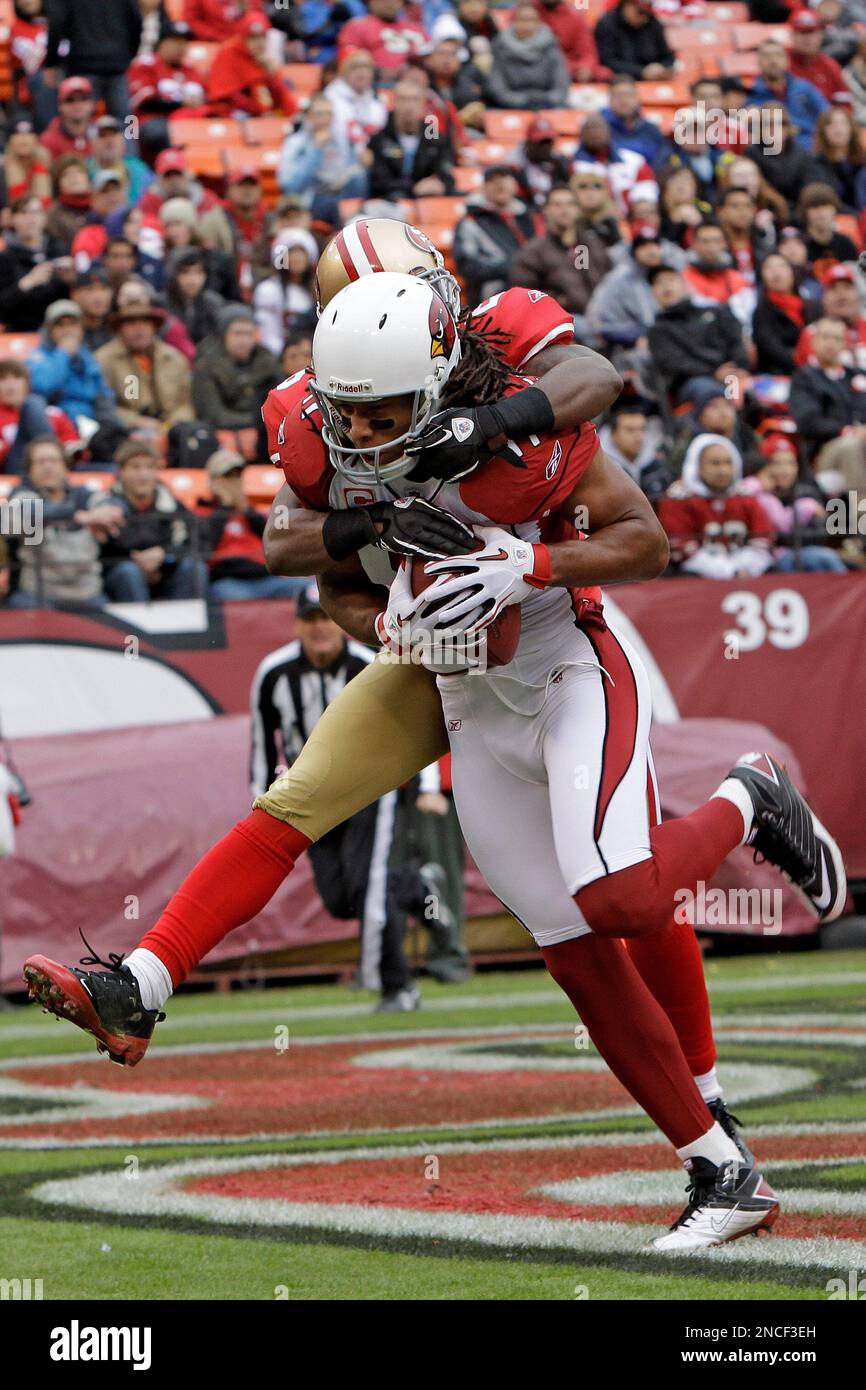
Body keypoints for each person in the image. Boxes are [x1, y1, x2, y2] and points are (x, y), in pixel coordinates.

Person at [24, 222, 779, 1243]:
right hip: (444, 671)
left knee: (627, 896)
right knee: (316, 808)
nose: (357, 429)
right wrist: (380, 596)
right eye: (344, 402)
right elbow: (297, 540)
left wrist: (518, 527)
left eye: (379, 407)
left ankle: (745, 811)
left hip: (559, 650)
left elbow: (597, 397)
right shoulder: (318, 417)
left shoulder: (514, 400)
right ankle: (139, 982)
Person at [251, 583, 421, 1011]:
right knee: (339, 900)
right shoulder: (273, 673)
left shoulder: (370, 664)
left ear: (341, 621)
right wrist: (259, 799)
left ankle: (396, 986)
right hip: (309, 796)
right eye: (309, 620)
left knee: (368, 889)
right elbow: (262, 744)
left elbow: (416, 721)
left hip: (369, 792)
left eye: (325, 617)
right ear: (297, 625)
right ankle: (414, 887)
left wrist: (424, 787)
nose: (319, 628)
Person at [4, 434, 120, 607]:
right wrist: (79, 517)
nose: (48, 467)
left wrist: (105, 513)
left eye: (53, 460)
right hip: (38, 595)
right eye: (40, 462)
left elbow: (114, 506)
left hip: (87, 593)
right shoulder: (22, 495)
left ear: (66, 466)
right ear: (29, 470)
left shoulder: (84, 495)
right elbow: (29, 513)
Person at [96, 438, 208, 601]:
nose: (144, 475)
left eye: (150, 467)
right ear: (121, 471)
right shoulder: (105, 504)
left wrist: (164, 554)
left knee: (195, 568)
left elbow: (199, 541)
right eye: (135, 467)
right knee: (129, 572)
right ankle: (133, 627)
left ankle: (190, 625)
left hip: (166, 572)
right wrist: (137, 560)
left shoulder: (170, 502)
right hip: (121, 578)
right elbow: (101, 554)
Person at [657, 433, 775, 579]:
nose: (723, 470)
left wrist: (744, 568)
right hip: (698, 578)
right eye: (715, 463)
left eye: (728, 463)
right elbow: (683, 550)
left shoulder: (745, 495)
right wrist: (729, 571)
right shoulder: (679, 498)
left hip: (744, 573)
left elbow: (764, 540)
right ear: (697, 466)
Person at [198, 448, 305, 600]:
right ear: (214, 482)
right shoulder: (202, 512)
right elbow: (207, 547)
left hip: (265, 577)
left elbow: (273, 537)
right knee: (233, 598)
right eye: (227, 477)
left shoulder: (249, 511)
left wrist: (246, 509)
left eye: (237, 476)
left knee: (306, 590)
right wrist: (225, 506)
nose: (234, 483)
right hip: (230, 581)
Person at [742, 433, 848, 572]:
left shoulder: (806, 491)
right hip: (765, 556)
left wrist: (784, 538)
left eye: (790, 463)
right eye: (777, 463)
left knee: (828, 559)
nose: (785, 470)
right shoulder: (758, 493)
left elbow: (821, 533)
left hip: (799, 551)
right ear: (765, 468)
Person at [646, 265, 749, 402]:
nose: (666, 286)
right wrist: (715, 372)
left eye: (671, 280)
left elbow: (735, 340)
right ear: (653, 292)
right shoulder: (658, 331)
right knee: (716, 394)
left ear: (685, 285)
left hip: (732, 374)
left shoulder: (715, 312)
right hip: (695, 383)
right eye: (658, 283)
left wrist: (737, 367)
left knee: (771, 392)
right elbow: (677, 364)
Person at [510, 186, 610, 323]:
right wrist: (559, 300)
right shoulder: (534, 252)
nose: (564, 210)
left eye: (570, 204)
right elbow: (524, 296)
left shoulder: (592, 244)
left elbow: (609, 279)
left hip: (602, 316)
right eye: (557, 205)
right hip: (562, 321)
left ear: (578, 209)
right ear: (546, 210)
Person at [96, 301, 194, 433]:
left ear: (154, 327)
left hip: (174, 426)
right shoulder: (104, 360)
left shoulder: (173, 357)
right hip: (128, 430)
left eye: (145, 323)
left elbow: (187, 402)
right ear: (120, 329)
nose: (139, 329)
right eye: (131, 324)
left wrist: (175, 422)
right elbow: (103, 406)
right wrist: (135, 421)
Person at [43, 0, 142, 122]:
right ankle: (130, 140)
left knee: (82, 120)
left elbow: (57, 23)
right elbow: (137, 21)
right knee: (125, 119)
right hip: (116, 64)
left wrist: (52, 62)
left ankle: (84, 141)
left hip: (84, 64)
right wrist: (128, 54)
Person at [453, 164, 538, 304]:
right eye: (492, 180)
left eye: (504, 178)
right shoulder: (471, 222)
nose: (499, 183)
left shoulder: (532, 218)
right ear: (484, 188)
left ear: (515, 185)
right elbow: (467, 265)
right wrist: (509, 267)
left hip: (534, 286)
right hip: (493, 291)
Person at [277, 94, 369, 220]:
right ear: (309, 117)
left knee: (360, 180)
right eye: (320, 114)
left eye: (329, 114)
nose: (325, 119)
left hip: (341, 194)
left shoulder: (341, 139)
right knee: (334, 207)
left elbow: (351, 171)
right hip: (310, 199)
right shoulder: (295, 143)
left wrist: (363, 162)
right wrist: (315, 151)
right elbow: (291, 186)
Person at [192, 304, 281, 434]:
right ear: (223, 335)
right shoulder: (206, 365)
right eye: (237, 333)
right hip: (223, 431)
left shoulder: (267, 360)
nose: (244, 340)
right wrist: (258, 420)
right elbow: (213, 414)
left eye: (249, 334)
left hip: (265, 428)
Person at [789, 315, 866, 460]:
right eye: (825, 337)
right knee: (852, 446)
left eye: (837, 338)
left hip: (861, 441)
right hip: (825, 450)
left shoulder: (858, 375)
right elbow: (808, 422)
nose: (830, 343)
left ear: (845, 344)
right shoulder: (804, 378)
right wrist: (848, 431)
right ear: (813, 341)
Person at [367, 78, 456, 202]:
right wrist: (413, 188)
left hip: (427, 199)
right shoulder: (380, 136)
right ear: (394, 102)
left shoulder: (434, 136)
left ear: (423, 104)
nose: (409, 106)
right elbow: (379, 181)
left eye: (415, 100)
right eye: (404, 99)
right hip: (391, 200)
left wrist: (440, 184)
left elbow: (446, 170)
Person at [29, 297, 113, 428]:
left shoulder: (87, 356)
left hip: (90, 422)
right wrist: (63, 354)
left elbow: (103, 395)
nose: (67, 330)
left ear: (81, 328)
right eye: (60, 325)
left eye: (73, 324)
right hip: (55, 424)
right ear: (49, 330)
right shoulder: (38, 356)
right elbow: (42, 388)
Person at [0, 193, 74, 332]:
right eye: (23, 213)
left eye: (36, 212)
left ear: (44, 218)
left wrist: (71, 280)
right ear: (13, 219)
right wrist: (27, 283)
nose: (30, 219)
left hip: (59, 329)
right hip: (20, 331)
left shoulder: (59, 249)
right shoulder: (5, 258)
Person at [206, 11, 297, 118]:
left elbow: (281, 99)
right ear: (243, 37)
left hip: (263, 115)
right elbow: (229, 96)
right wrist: (260, 112)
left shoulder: (265, 60)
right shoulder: (227, 54)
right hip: (235, 114)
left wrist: (271, 75)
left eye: (262, 37)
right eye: (252, 37)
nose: (258, 43)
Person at [486, 1, 570, 111]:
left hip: (548, 105)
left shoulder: (551, 46)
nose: (526, 25)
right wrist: (522, 101)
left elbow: (561, 85)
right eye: (522, 20)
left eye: (531, 20)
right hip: (509, 106)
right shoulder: (500, 46)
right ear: (513, 22)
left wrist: (546, 101)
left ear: (538, 22)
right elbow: (497, 86)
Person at [0, 360, 78, 473]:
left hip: (60, 465)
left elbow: (72, 445)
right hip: (17, 467)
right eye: (3, 379)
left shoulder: (53, 413)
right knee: (32, 403)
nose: (10, 386)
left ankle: (51, 461)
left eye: (16, 378)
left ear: (27, 383)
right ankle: (50, 459)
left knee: (108, 469)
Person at [749, 39, 830, 149]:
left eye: (778, 55)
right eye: (766, 56)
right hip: (773, 153)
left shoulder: (804, 88)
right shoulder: (751, 94)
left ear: (787, 60)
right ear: (758, 62)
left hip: (809, 149)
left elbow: (827, 115)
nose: (773, 61)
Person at [681, 220, 757, 331]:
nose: (711, 247)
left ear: (724, 244)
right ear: (694, 244)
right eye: (705, 241)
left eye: (716, 241)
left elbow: (748, 320)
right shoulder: (683, 279)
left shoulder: (737, 280)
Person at [253, 229, 318, 357]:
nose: (297, 258)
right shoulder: (269, 290)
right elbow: (268, 334)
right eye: (292, 252)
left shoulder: (315, 291)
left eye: (301, 252)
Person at [598, 402, 671, 500]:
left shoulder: (658, 467)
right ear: (613, 434)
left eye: (642, 429)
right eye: (630, 430)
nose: (638, 437)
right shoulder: (600, 469)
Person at [753, 252, 808, 375]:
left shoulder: (811, 306)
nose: (776, 273)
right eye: (769, 268)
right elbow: (772, 349)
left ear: (792, 272)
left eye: (781, 266)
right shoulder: (761, 312)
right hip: (777, 373)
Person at [321, 50, 387, 153]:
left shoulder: (377, 103)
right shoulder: (330, 97)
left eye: (366, 68)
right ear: (344, 72)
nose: (362, 73)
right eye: (355, 68)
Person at [336, 0, 428, 72]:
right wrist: (380, 72)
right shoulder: (356, 26)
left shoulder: (417, 27)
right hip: (376, 85)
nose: (390, 3)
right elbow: (349, 63)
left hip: (419, 84)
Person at [602, 73, 671, 169]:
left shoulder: (651, 129)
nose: (623, 100)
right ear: (609, 100)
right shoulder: (599, 129)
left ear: (637, 98)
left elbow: (664, 158)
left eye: (628, 95)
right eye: (618, 95)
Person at [594, 0, 675, 80]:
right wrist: (641, 72)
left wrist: (662, 68)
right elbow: (606, 60)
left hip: (654, 80)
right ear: (627, 5)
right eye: (640, 12)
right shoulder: (607, 24)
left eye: (648, 14)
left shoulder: (653, 23)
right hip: (621, 81)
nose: (644, 18)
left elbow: (667, 56)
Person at [86, 116, 153, 207]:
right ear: (92, 142)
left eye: (113, 135)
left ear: (122, 139)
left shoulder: (138, 168)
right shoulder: (84, 171)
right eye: (102, 135)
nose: (109, 140)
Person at [165, 248, 225, 346]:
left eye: (198, 272)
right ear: (173, 274)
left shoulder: (213, 304)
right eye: (185, 272)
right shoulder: (161, 304)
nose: (192, 279)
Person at [787, 8, 847, 104]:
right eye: (802, 33)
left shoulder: (830, 66)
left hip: (825, 117)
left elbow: (846, 105)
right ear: (792, 35)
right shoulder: (781, 62)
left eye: (811, 32)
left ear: (821, 34)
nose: (807, 39)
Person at [812, 106, 866, 212]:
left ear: (851, 128)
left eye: (843, 123)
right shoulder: (816, 164)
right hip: (838, 218)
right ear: (823, 131)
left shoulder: (862, 160)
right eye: (831, 124)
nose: (838, 129)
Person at [797, 182, 860, 268]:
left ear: (834, 209)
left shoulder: (845, 243)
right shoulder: (799, 244)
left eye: (825, 205)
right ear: (805, 212)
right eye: (814, 206)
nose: (820, 211)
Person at [514, 115, 571, 209]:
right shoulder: (516, 166)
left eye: (548, 142)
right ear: (529, 142)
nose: (545, 147)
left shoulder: (560, 164)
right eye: (540, 143)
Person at [38, 75, 96, 161]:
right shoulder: (48, 140)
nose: (77, 105)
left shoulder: (103, 133)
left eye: (83, 98)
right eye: (70, 100)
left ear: (92, 103)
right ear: (60, 105)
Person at [2, 118, 52, 206]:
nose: (23, 139)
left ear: (36, 139)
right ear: (9, 140)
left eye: (28, 134)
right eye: (17, 134)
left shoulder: (50, 167)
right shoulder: (2, 169)